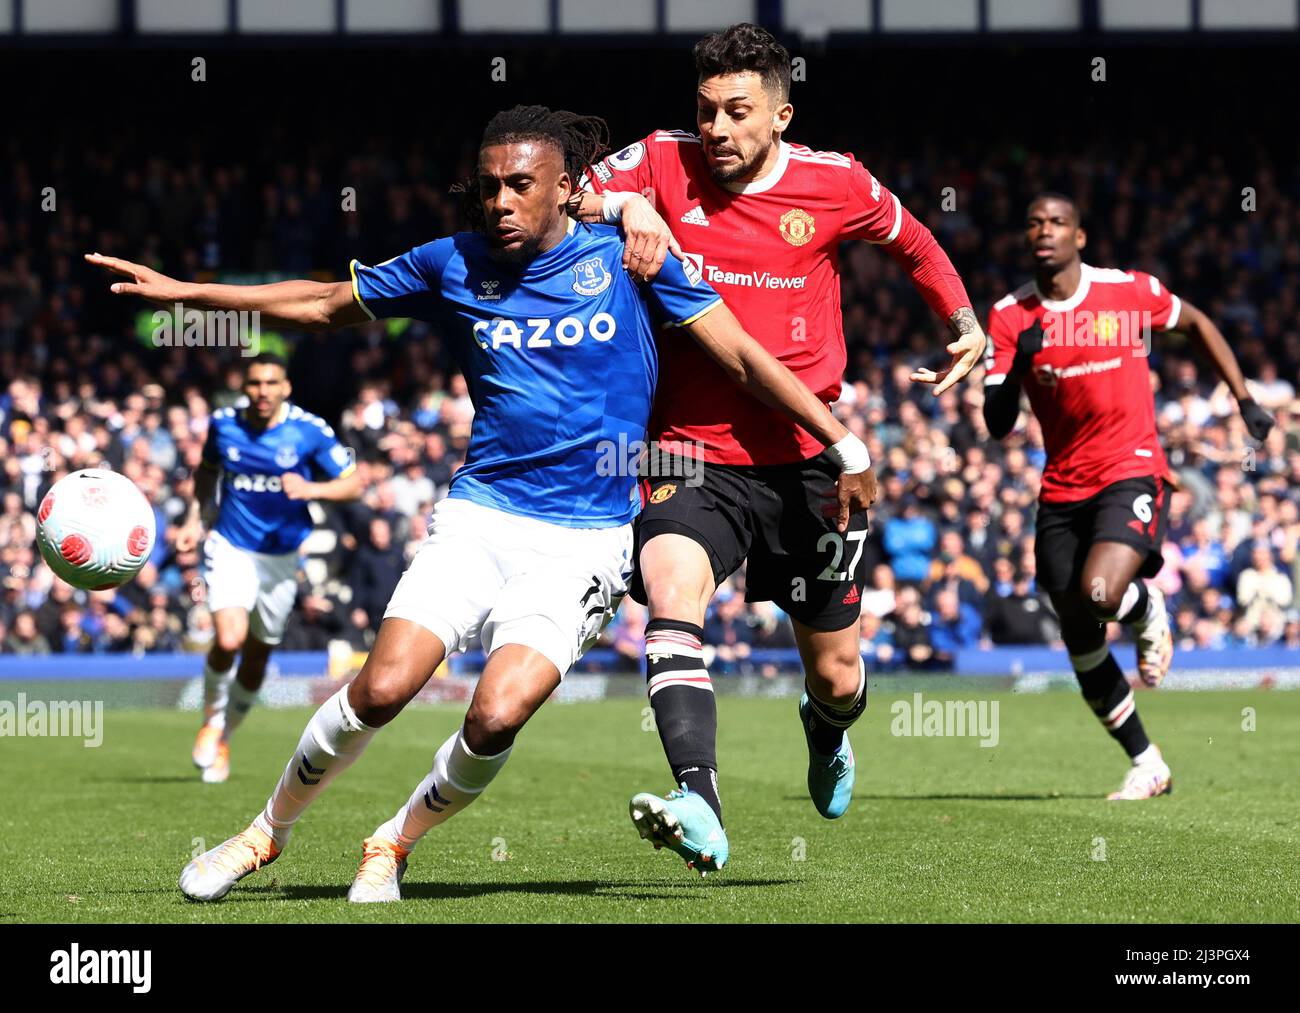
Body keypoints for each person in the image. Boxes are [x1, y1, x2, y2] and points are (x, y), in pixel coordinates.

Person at [89, 104, 874, 901]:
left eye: (520, 186)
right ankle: (263, 833)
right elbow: (324, 303)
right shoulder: (451, 263)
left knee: (495, 714)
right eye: (489, 186)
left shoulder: (631, 257)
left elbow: (740, 352)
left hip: (588, 540)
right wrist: (188, 293)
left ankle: (391, 844)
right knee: (382, 687)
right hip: (481, 517)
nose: (498, 202)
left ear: (568, 189)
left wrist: (841, 441)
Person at [577, 23, 985, 868]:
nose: (718, 129)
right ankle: (700, 796)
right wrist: (625, 202)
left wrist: (963, 322)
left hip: (811, 458)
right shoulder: (658, 160)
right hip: (689, 449)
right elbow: (557, 191)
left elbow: (913, 239)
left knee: (837, 676)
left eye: (737, 111)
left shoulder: (835, 183)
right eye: (706, 111)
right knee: (671, 593)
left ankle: (825, 727)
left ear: (782, 115)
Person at [982, 192, 1274, 799]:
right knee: (1079, 635)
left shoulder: (1126, 291)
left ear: (1079, 237)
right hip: (1061, 488)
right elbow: (997, 423)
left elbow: (1197, 323)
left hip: (1130, 470)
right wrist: (1013, 369)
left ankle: (1146, 610)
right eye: (1034, 222)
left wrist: (1244, 399)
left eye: (1058, 222)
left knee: (1101, 593)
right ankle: (1148, 763)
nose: (1045, 231)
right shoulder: (1011, 315)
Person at [167, 353, 361, 783]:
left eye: (271, 383)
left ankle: (224, 736)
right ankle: (211, 718)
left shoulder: (309, 432)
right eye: (255, 383)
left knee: (257, 655)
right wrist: (194, 521)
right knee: (229, 637)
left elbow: (354, 483)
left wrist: (311, 487)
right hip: (231, 546)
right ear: (245, 387)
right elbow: (207, 472)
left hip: (281, 557)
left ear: (285, 388)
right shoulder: (224, 425)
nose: (262, 392)